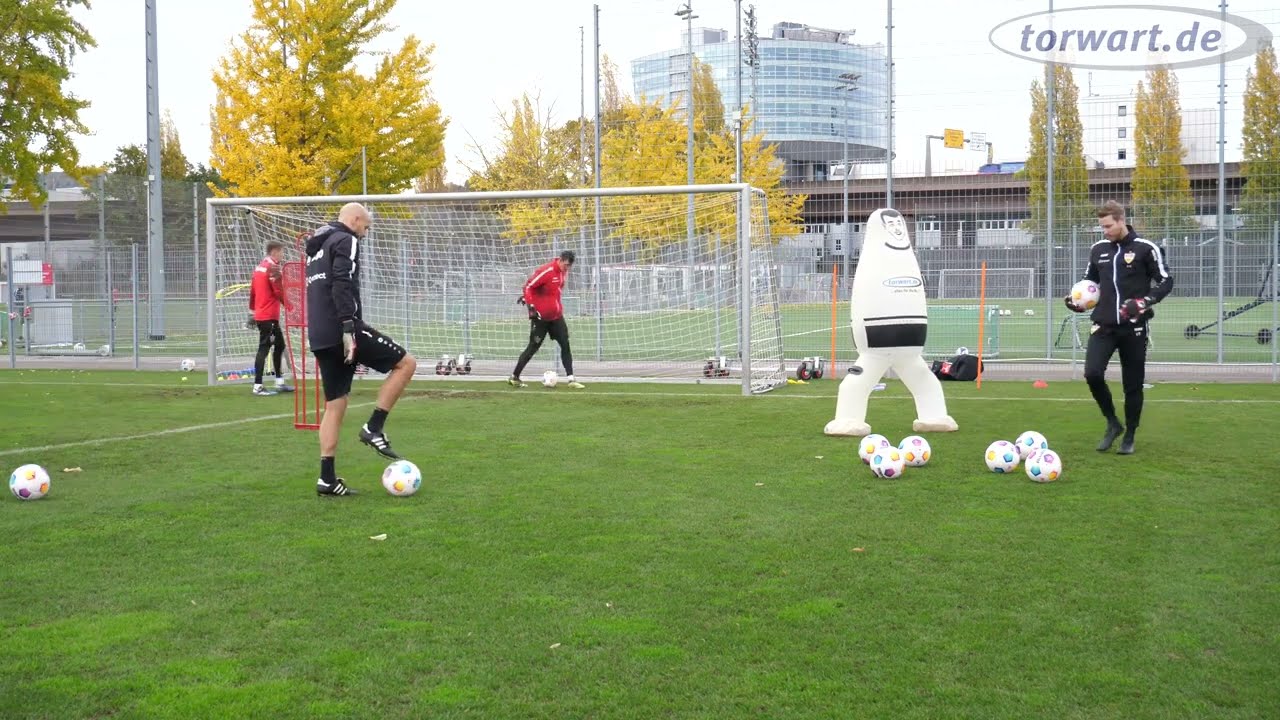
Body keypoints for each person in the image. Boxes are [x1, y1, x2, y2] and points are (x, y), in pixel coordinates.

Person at [305, 202, 418, 496]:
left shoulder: (316, 248)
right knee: (406, 364)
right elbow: (341, 281)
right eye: (366, 227)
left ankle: (326, 479)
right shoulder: (347, 239)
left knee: (335, 403)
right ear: (355, 220)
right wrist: (347, 324)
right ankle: (374, 427)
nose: (365, 234)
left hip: (318, 334)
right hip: (342, 329)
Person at [1064, 200, 1173, 455]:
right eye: (1102, 226)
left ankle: (1130, 435)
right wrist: (1076, 301)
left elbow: (1166, 281)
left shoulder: (1146, 249)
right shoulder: (1098, 249)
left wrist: (1144, 301)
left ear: (1121, 220)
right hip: (1103, 325)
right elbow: (1089, 283)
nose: (1105, 231)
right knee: (1092, 373)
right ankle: (1113, 423)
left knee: (1132, 384)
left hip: (1133, 327)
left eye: (1109, 226)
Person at [508, 250, 585, 389]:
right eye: (566, 265)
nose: (567, 268)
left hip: (556, 317)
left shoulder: (563, 273)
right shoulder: (546, 271)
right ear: (560, 260)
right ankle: (515, 377)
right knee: (532, 347)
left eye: (569, 266)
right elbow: (529, 286)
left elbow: (551, 293)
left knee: (565, 344)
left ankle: (571, 379)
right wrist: (531, 305)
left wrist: (531, 298)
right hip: (541, 318)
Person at [247, 239, 294, 396]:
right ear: (274, 252)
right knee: (264, 348)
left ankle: (279, 381)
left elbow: (252, 291)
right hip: (268, 316)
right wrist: (290, 306)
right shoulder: (272, 267)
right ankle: (258, 386)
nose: (282, 255)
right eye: (281, 252)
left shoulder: (259, 267)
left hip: (262, 314)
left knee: (279, 345)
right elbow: (278, 291)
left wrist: (252, 310)